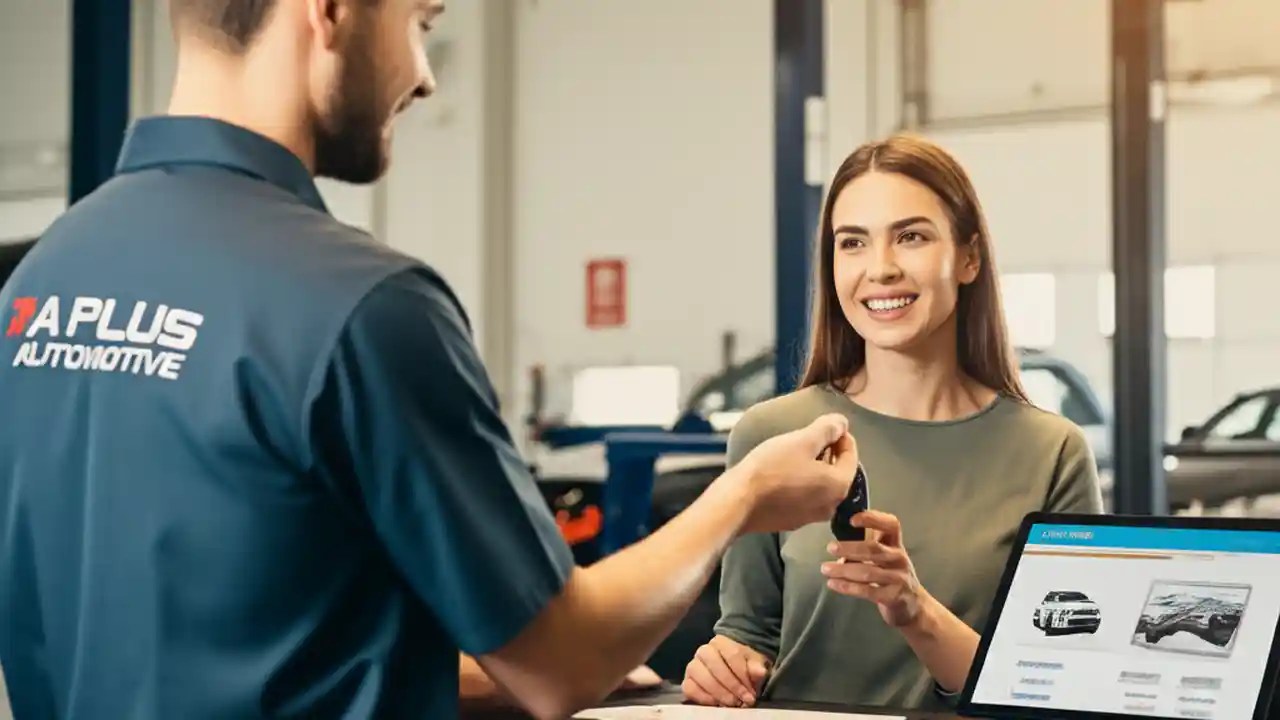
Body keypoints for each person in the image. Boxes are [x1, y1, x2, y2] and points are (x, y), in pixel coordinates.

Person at [0, 1, 863, 719]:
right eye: (420, 22)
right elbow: (561, 661)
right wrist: (742, 495)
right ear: (330, 12)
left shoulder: (38, 287)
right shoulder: (358, 303)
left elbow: (225, 634)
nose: (424, 76)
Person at [681, 134, 1104, 711]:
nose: (880, 269)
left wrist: (914, 610)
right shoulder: (771, 435)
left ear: (969, 258)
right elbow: (748, 634)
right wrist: (724, 665)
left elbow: (1058, 682)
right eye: (853, 243)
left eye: (911, 237)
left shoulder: (1052, 453)